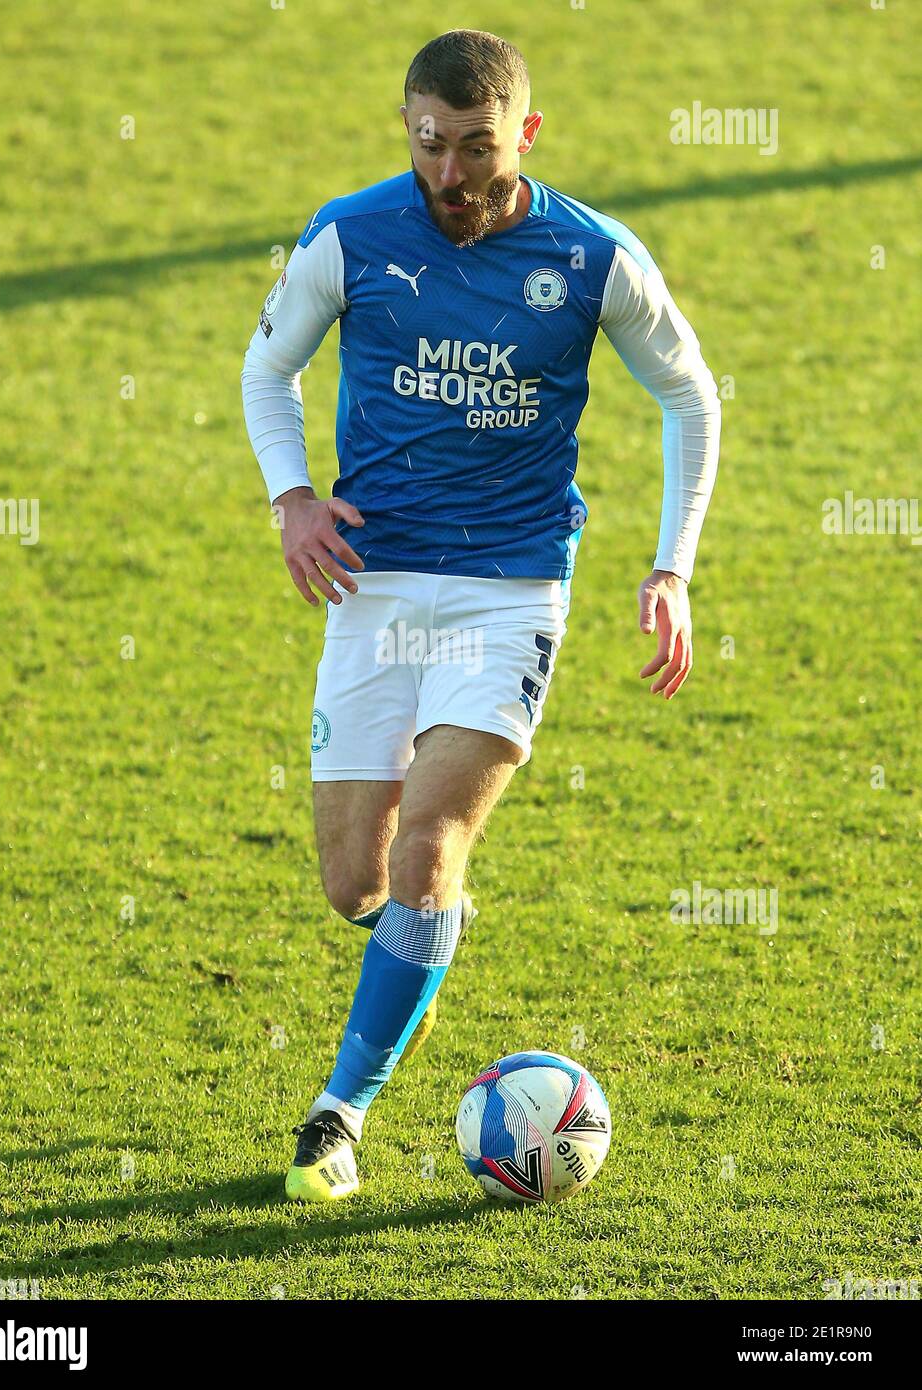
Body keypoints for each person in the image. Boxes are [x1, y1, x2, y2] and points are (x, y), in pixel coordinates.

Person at [241, 29, 720, 1202]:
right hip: (373, 583)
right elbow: (268, 370)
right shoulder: (351, 232)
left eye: (473, 147)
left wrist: (671, 566)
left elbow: (688, 395)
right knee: (354, 883)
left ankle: (335, 1114)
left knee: (430, 848)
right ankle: (423, 931)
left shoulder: (592, 254)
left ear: (526, 134)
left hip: (509, 589)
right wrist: (293, 497)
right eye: (426, 142)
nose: (446, 174)